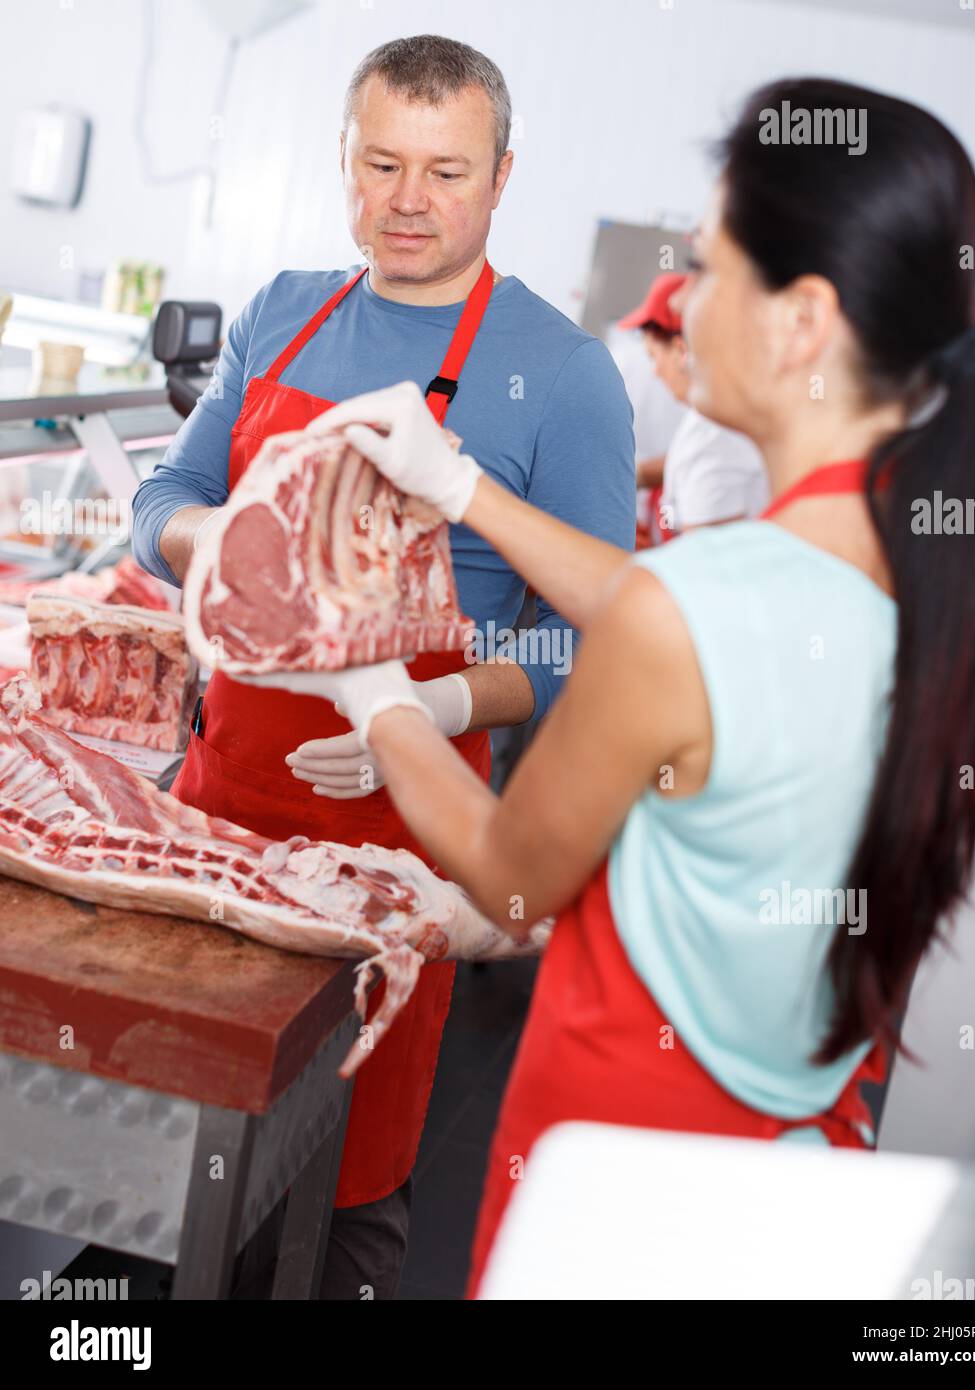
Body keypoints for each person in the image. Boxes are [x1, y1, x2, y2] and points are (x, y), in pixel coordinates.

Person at [244, 75, 975, 1297]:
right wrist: (463, 492)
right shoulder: (921, 571)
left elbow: (509, 871)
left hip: (621, 1187)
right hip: (784, 1159)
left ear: (800, 321)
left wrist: (373, 683)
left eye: (709, 267)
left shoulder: (698, 607)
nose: (676, 302)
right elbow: (684, 624)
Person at [131, 33, 634, 1299]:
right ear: (345, 162)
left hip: (400, 843)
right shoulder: (282, 310)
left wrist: (438, 700)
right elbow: (163, 496)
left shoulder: (562, 375)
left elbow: (590, 638)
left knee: (330, 1206)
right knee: (160, 1179)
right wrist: (234, 544)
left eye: (445, 171)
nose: (408, 200)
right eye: (381, 163)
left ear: (501, 177)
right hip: (217, 821)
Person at [619, 271, 768, 539]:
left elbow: (703, 570)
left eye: (654, 356)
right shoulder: (717, 418)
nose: (655, 372)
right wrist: (634, 474)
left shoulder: (714, 432)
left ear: (679, 351)